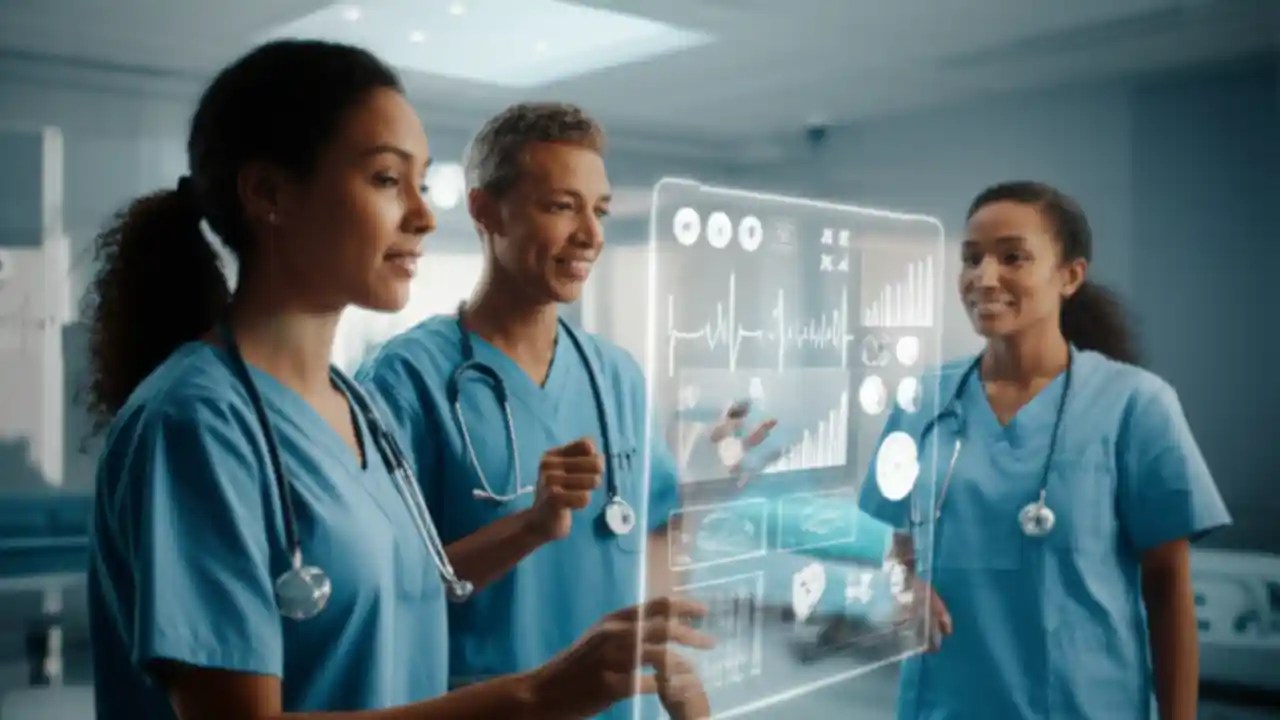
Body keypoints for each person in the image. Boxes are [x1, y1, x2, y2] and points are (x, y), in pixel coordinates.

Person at [83, 40, 714, 720]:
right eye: (387, 180)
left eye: (422, 182)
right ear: (269, 192)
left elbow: (419, 588)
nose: (423, 215)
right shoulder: (196, 425)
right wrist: (540, 695)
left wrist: (534, 531)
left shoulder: (356, 409)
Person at [357, 102, 773, 719]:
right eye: (561, 206)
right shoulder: (404, 379)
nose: (592, 234)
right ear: (484, 210)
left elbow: (651, 537)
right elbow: (389, 594)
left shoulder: (616, 376)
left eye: (599, 210)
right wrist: (530, 525)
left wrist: (675, 672)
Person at [858, 180, 1230, 719]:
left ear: (1070, 275)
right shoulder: (923, 400)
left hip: (1086, 703)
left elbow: (1168, 586)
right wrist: (903, 585)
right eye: (971, 259)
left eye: (1013, 257)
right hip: (944, 701)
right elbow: (898, 543)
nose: (984, 278)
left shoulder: (1136, 405)